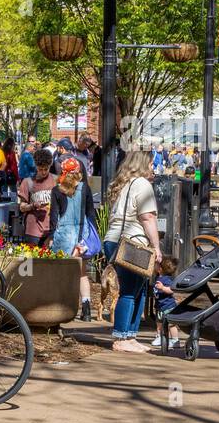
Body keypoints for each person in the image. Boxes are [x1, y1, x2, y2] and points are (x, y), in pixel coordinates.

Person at [103, 148, 163, 353]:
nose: (153, 167)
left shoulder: (124, 184)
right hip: (133, 241)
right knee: (130, 291)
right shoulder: (143, 184)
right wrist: (156, 247)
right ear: (142, 164)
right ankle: (121, 337)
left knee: (138, 290)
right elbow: (148, 217)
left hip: (114, 240)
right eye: (151, 163)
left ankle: (130, 335)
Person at [48, 157, 95, 321]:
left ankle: (62, 307)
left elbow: (54, 217)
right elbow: (91, 214)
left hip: (64, 236)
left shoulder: (56, 191)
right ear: (79, 172)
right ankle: (87, 309)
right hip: (82, 234)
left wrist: (51, 238)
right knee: (82, 273)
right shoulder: (85, 189)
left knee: (62, 272)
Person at [17, 148, 57, 243]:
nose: (43, 172)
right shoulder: (27, 182)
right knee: (31, 257)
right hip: (32, 229)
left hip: (51, 229)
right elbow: (22, 207)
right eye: (40, 169)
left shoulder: (56, 180)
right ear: (35, 165)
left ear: (50, 165)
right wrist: (32, 205)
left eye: (46, 169)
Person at [151, 256, 181, 348]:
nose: (154, 265)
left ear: (160, 269)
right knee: (159, 323)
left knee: (171, 324)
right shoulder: (158, 278)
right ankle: (159, 337)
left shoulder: (167, 279)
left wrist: (163, 288)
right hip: (160, 306)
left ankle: (175, 340)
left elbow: (172, 290)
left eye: (156, 265)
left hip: (168, 306)